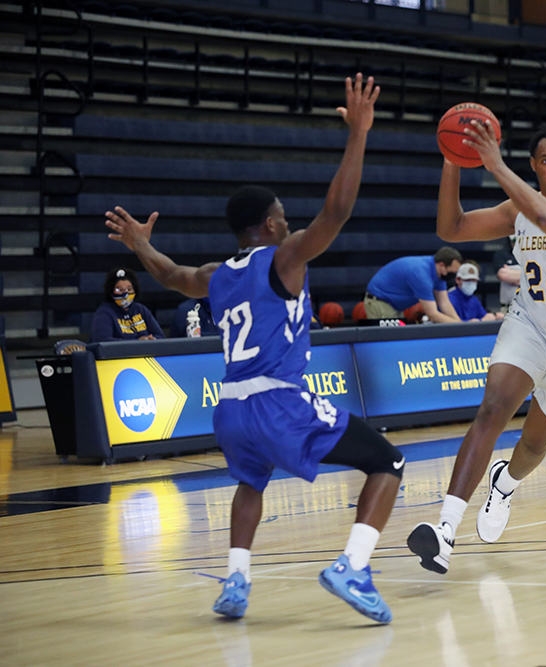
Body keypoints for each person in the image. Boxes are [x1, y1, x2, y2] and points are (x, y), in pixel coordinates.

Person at [104, 74, 405, 624]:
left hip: (231, 410)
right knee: (387, 460)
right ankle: (353, 567)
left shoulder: (217, 275)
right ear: (270, 225)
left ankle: (236, 582)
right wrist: (359, 134)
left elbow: (171, 275)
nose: (290, 223)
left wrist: (141, 244)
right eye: (284, 217)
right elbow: (335, 215)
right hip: (276, 401)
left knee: (251, 481)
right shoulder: (283, 259)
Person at [406, 124, 546, 574]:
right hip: (530, 323)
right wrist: (453, 158)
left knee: (535, 446)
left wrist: (493, 163)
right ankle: (445, 531)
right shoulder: (515, 209)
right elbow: (452, 227)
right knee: (493, 408)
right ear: (534, 165)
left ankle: (504, 483)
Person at [364, 247, 464, 322]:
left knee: (399, 340)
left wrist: (460, 323)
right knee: (387, 342)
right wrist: (460, 327)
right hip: (381, 303)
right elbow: (432, 314)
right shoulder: (421, 274)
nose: (452, 275)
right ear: (441, 265)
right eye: (452, 272)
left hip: (396, 307)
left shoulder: (440, 275)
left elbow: (444, 303)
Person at [90, 267, 165, 342]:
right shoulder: (104, 312)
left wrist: (151, 340)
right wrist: (137, 342)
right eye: (120, 290)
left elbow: (160, 336)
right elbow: (102, 340)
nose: (125, 293)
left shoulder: (140, 309)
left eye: (129, 289)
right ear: (111, 291)